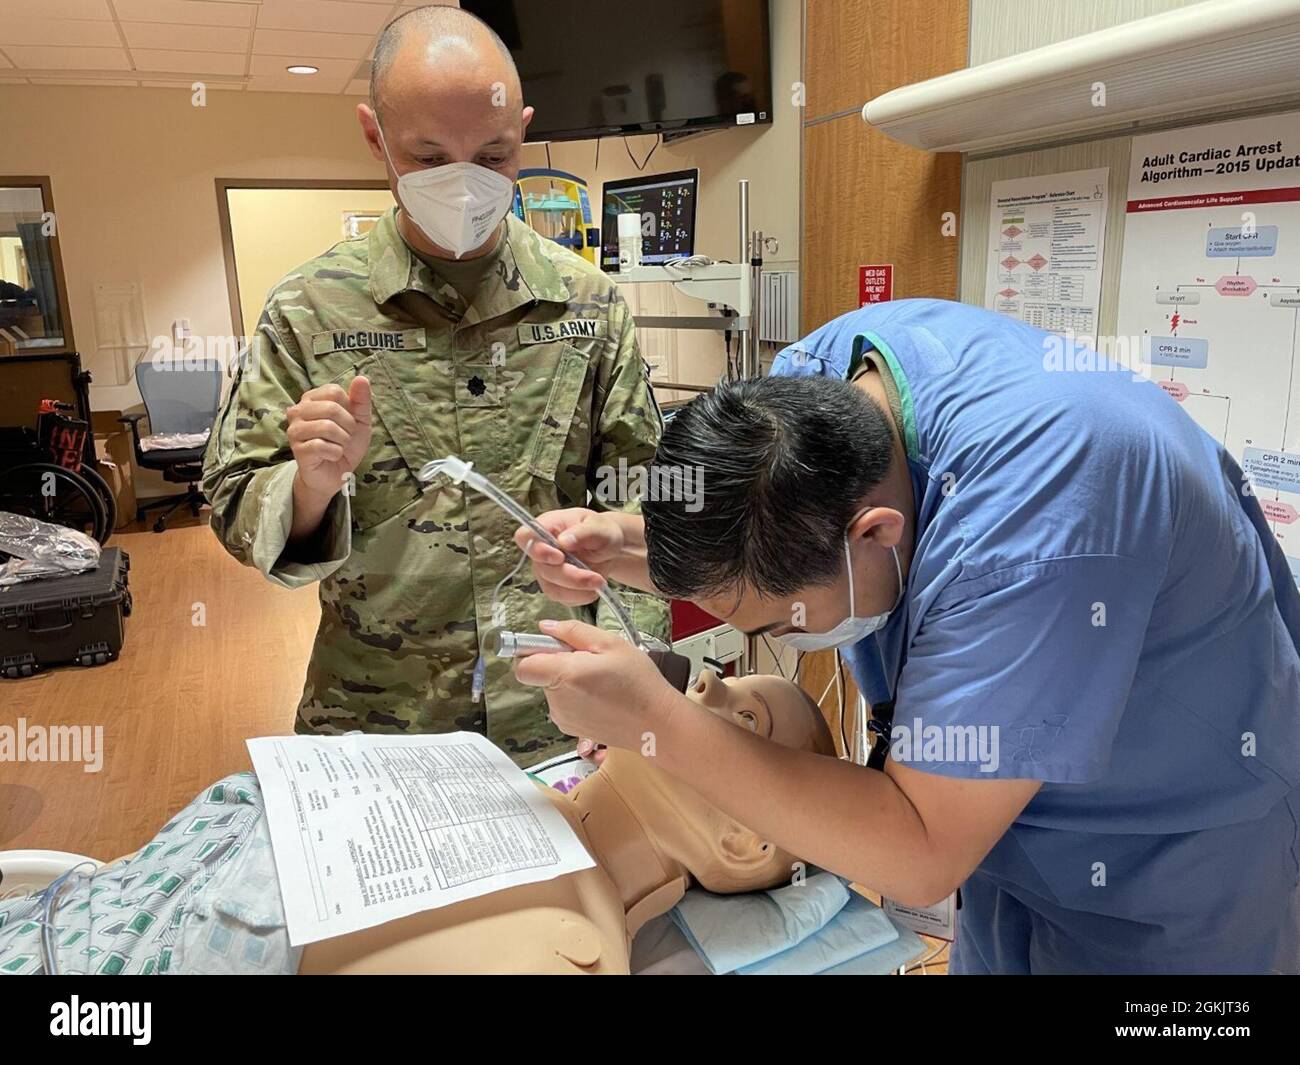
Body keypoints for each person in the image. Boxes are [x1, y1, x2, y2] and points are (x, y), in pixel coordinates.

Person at [512, 297, 1300, 974]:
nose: (724, 678)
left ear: (876, 531)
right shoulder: (816, 393)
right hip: (1011, 851)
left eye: (773, 627)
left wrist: (657, 726)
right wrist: (627, 545)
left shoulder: (1041, 520)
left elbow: (921, 851)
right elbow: (766, 539)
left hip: (1177, 877)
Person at [201, 6, 667, 766]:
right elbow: (234, 503)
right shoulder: (311, 310)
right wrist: (311, 487)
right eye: (427, 157)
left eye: (493, 155)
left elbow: (648, 505)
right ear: (373, 134)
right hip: (380, 725)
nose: (464, 184)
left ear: (522, 129)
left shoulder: (587, 305)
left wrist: (640, 679)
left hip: (562, 721)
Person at [0, 673, 836, 975]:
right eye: (723, 681)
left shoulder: (556, 949)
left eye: (744, 718)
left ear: (743, 841)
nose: (700, 692)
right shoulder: (501, 784)